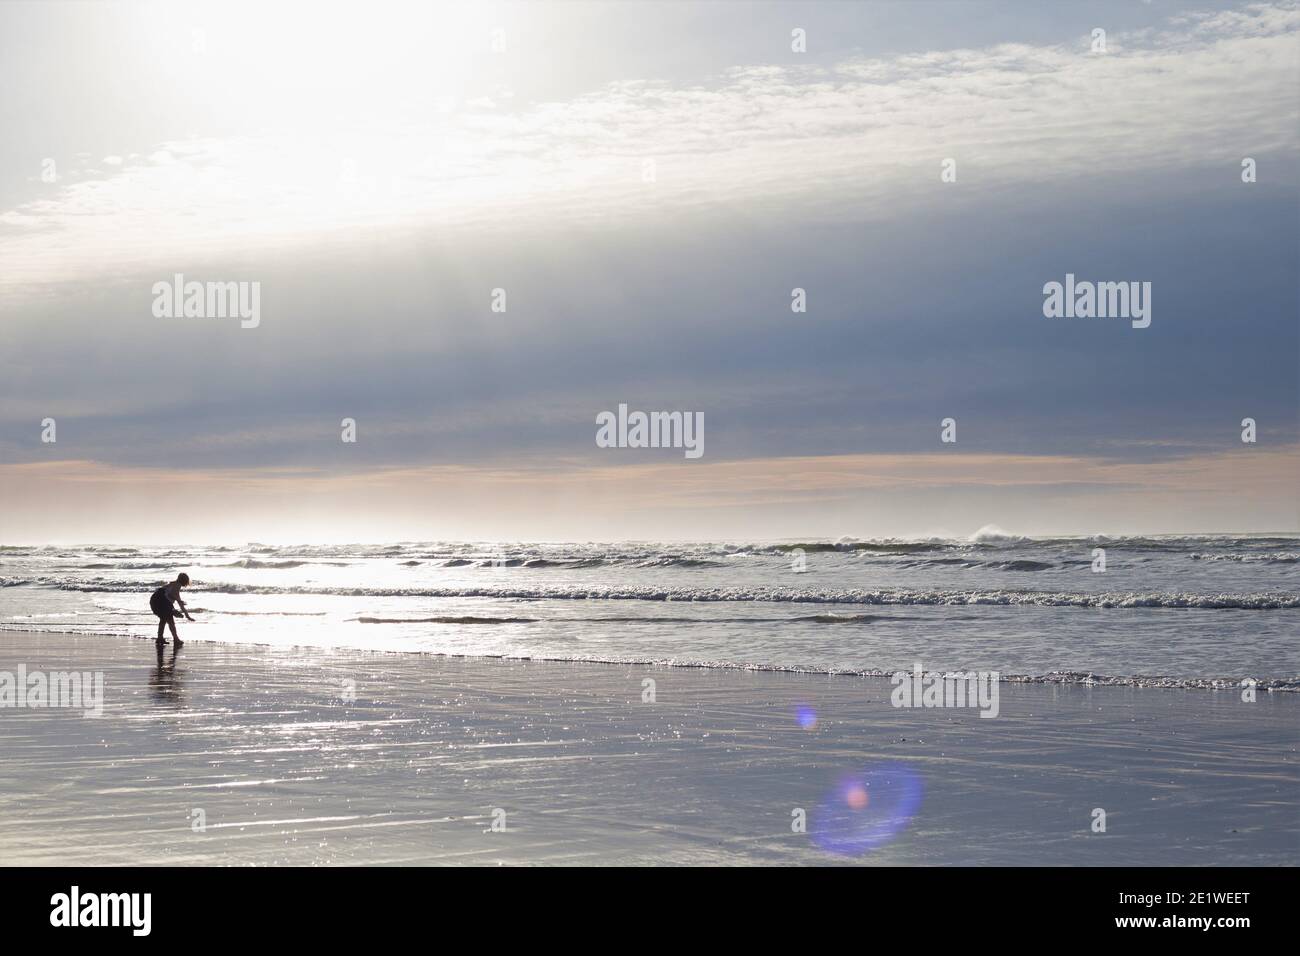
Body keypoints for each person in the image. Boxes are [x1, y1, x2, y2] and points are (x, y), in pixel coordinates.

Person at [150, 573, 194, 645]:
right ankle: (176, 639)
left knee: (163, 619)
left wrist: (187, 615)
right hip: (161, 600)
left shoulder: (172, 584)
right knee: (170, 621)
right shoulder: (177, 585)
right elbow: (172, 596)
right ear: (184, 581)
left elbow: (175, 599)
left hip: (154, 600)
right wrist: (187, 615)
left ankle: (160, 638)